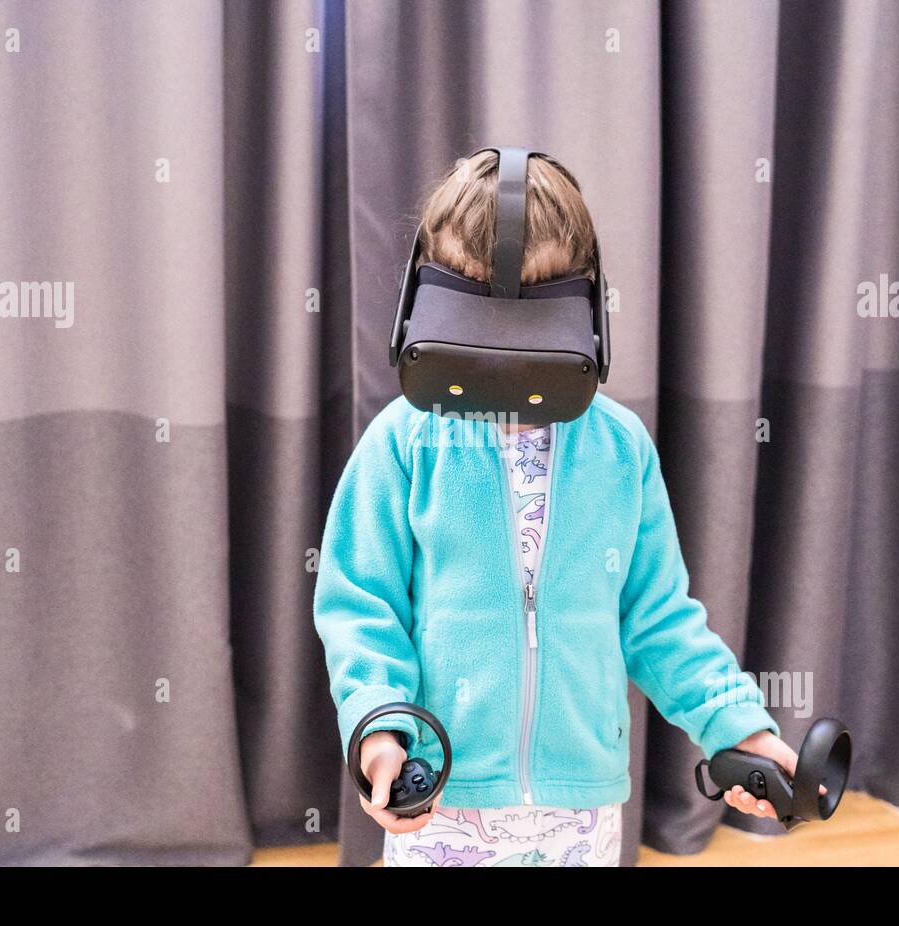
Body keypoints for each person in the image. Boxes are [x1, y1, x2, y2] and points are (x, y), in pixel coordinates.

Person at [314, 149, 806, 867]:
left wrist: (736, 724)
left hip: (583, 806)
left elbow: (658, 615)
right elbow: (360, 602)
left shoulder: (619, 449)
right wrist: (378, 724)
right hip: (445, 797)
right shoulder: (406, 443)